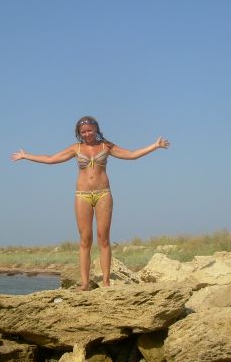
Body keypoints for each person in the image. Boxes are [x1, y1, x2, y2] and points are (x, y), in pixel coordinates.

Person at [11, 115, 170, 290]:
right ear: (79, 133)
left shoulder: (106, 146)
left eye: (90, 130)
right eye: (83, 132)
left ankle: (106, 282)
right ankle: (85, 283)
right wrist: (26, 156)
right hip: (82, 196)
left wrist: (155, 146)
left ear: (96, 130)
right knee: (85, 240)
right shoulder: (76, 148)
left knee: (103, 238)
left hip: (103, 194)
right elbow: (50, 159)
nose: (87, 134)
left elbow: (131, 155)